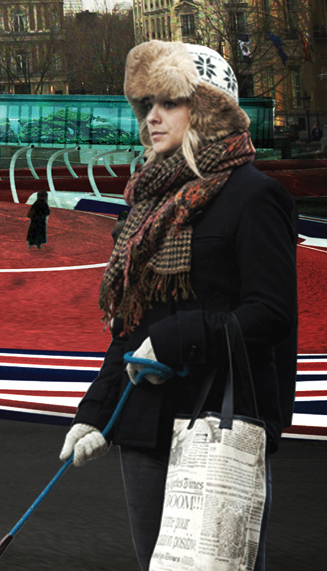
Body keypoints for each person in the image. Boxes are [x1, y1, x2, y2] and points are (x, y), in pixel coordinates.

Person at [60, 42, 298, 570]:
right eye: (146, 106)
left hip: (219, 422)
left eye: (168, 103)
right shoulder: (147, 202)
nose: (152, 118)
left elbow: (272, 314)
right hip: (144, 428)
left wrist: (178, 337)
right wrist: (95, 413)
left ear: (208, 111)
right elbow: (130, 325)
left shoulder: (255, 195)